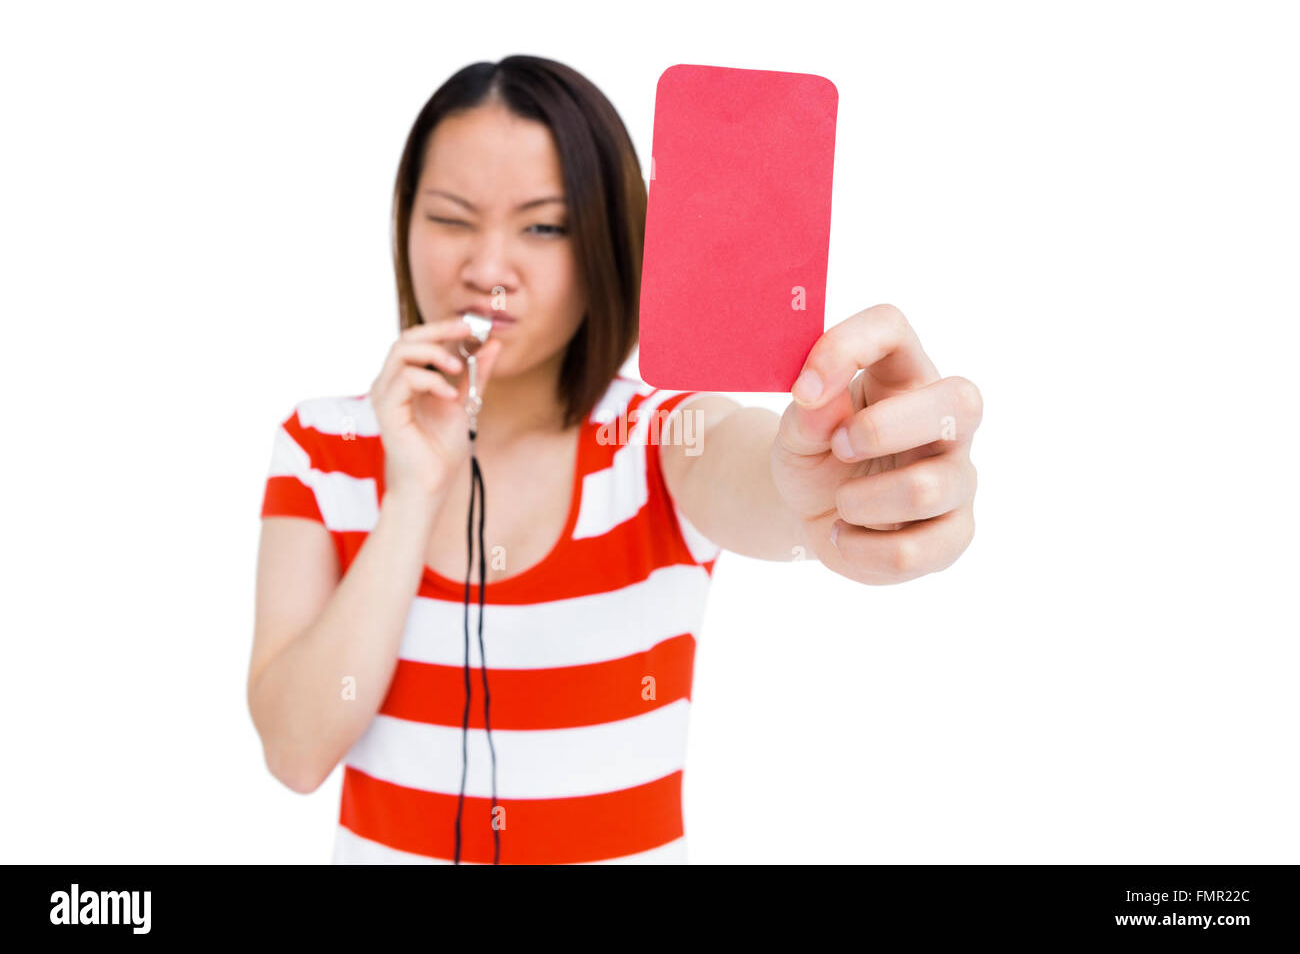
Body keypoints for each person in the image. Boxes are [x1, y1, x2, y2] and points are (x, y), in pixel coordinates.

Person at [248, 55, 982, 864]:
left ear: (609, 239)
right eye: (452, 218)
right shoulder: (323, 447)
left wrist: (830, 479)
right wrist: (413, 493)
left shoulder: (658, 437)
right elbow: (295, 752)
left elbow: (758, 473)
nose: (486, 271)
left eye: (543, 225)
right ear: (404, 223)